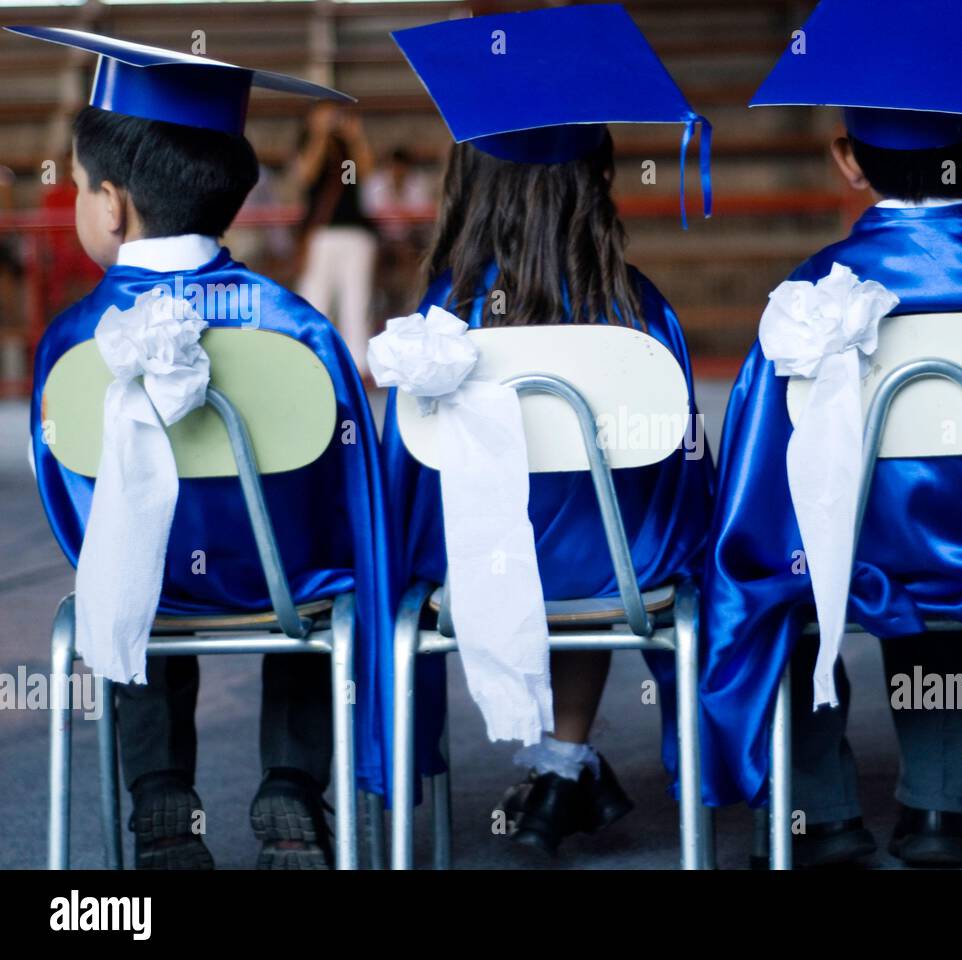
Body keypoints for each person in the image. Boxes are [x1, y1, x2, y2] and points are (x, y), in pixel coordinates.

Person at [699, 0, 962, 869]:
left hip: (839, 556)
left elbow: (759, 491)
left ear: (848, 160)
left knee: (783, 584)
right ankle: (937, 810)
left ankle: (827, 813)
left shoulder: (807, 300)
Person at [16, 27, 395, 870]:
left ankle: (160, 807)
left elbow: (68, 492)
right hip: (280, 583)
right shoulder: (297, 326)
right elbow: (347, 486)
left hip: (150, 591)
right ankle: (292, 792)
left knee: (123, 568)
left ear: (111, 204)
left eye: (78, 188)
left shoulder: (79, 338)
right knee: (325, 573)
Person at [376, 5, 715, 857]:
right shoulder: (636, 311)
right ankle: (560, 761)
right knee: (598, 532)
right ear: (596, 177)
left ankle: (554, 765)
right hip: (618, 574)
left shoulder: (446, 317)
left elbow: (404, 483)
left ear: (470, 184)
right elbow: (675, 475)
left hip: (475, 571)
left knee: (533, 536)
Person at [295, 102, 377, 374]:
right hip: (321, 233)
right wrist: (319, 135)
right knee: (316, 297)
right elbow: (306, 174)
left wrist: (356, 137)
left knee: (356, 300)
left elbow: (364, 174)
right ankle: (313, 356)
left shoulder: (348, 148)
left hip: (355, 232)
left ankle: (358, 365)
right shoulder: (308, 142)